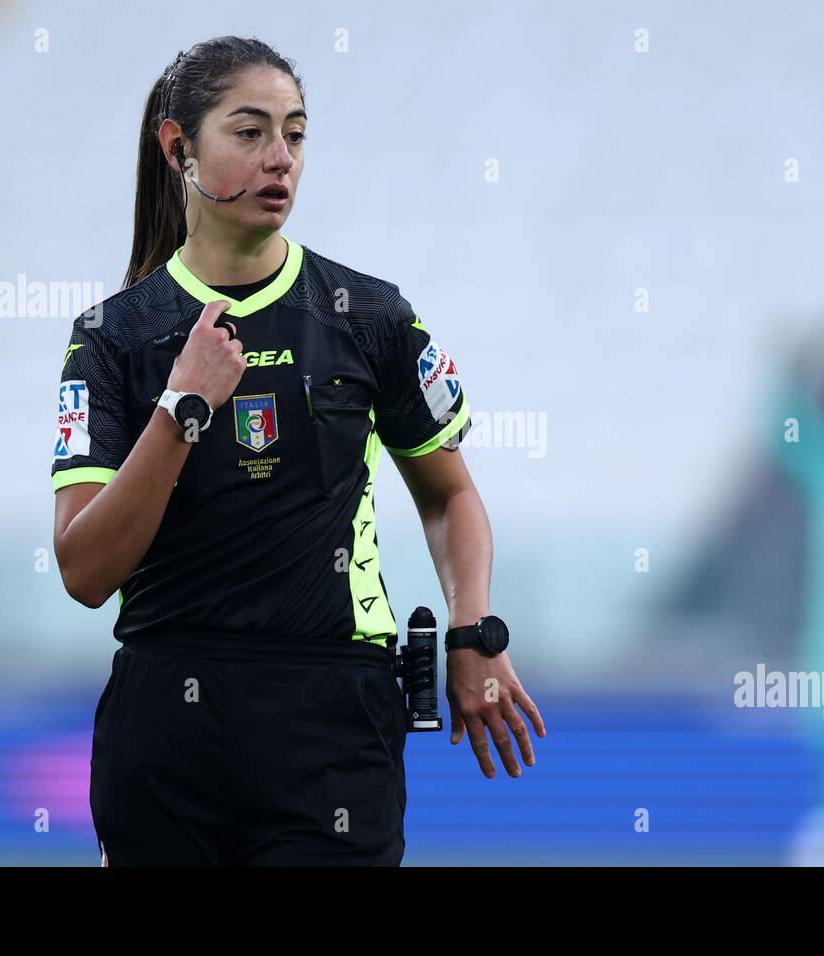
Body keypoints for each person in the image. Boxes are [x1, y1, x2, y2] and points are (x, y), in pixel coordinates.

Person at [50, 36, 545, 866]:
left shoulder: (370, 318)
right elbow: (84, 573)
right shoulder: (112, 339)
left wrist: (474, 631)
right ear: (179, 148)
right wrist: (180, 409)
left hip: (331, 722)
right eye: (249, 133)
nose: (280, 158)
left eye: (296, 134)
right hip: (167, 726)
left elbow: (449, 495)